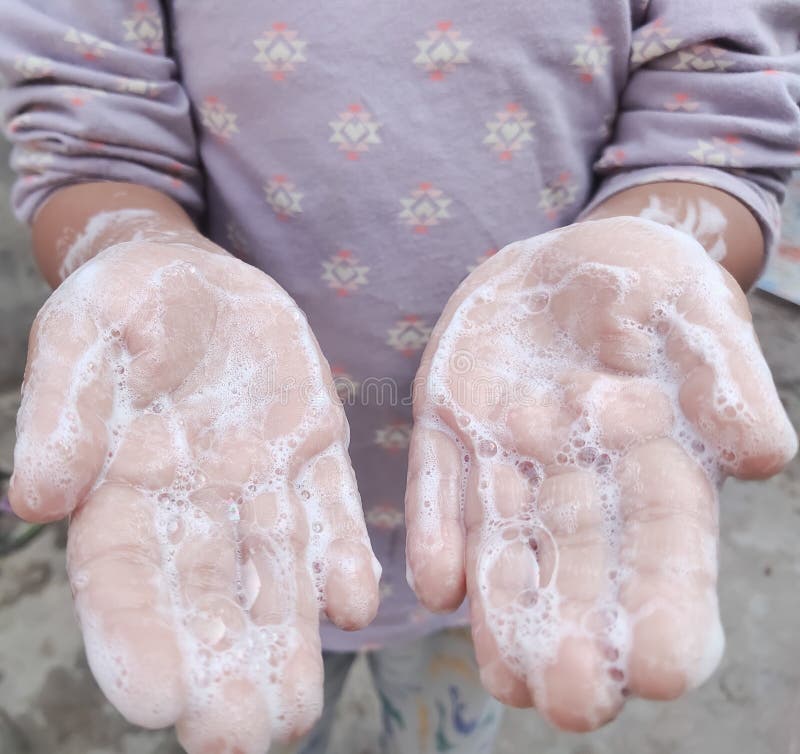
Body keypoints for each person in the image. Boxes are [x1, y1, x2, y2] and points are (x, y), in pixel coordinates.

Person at [1, 1, 798, 752]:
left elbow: (717, 110)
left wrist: (650, 241)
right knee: (258, 709)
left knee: (444, 726)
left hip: (503, 510)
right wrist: (138, 250)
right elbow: (91, 130)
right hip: (240, 494)